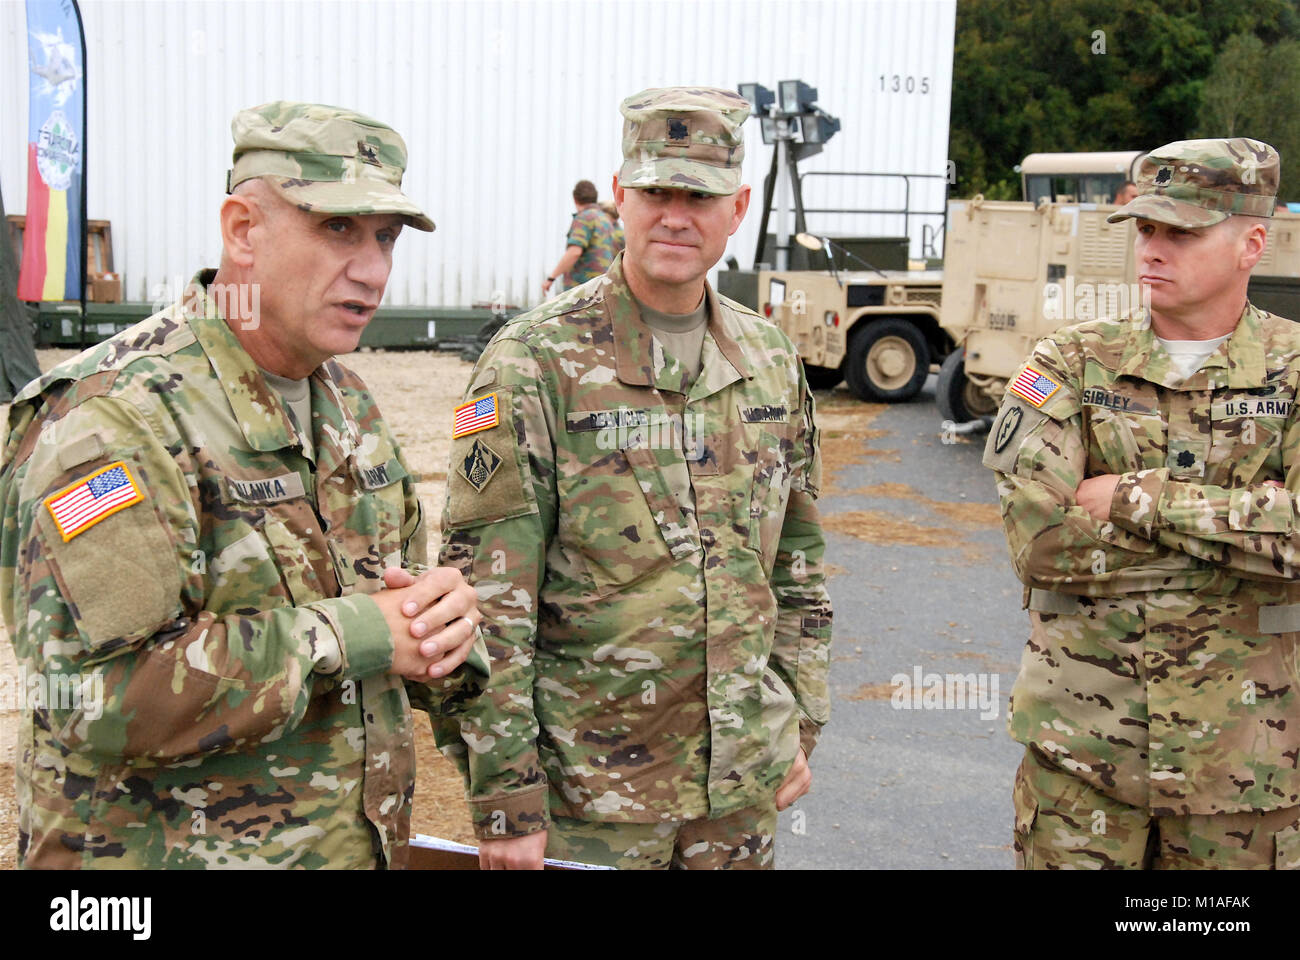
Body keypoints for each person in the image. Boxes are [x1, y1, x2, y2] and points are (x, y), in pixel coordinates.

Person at [0, 101, 487, 869]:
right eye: (338, 229)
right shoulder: (115, 416)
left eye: (385, 238)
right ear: (243, 230)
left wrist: (442, 630)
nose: (371, 269)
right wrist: (355, 633)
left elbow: (394, 607)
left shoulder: (345, 401)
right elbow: (94, 698)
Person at [436, 86, 832, 870]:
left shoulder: (770, 360)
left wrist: (795, 720)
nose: (676, 215)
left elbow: (799, 565)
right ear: (621, 195)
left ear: (739, 207)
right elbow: (487, 602)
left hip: (737, 797)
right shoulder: (532, 363)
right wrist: (508, 800)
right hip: (592, 804)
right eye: (656, 190)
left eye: (701, 195)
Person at [985, 138, 1300, 868]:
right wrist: (1247, 539)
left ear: (1252, 242)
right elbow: (1042, 547)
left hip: (1248, 771)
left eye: (1182, 232)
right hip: (1084, 765)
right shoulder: (1069, 363)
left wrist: (1139, 499)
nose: (1153, 249)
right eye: (1146, 229)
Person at [540, 179, 619, 296]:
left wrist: (551, 278)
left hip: (583, 290)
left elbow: (575, 252)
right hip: (602, 286)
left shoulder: (584, 218)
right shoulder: (605, 220)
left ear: (575, 199)